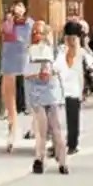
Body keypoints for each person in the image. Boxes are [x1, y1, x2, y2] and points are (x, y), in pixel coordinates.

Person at [24, 23, 69, 175]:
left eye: (39, 32)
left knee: (51, 127)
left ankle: (56, 160)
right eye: (35, 31)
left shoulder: (51, 50)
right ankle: (45, 160)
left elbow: (58, 69)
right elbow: (26, 71)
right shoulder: (33, 50)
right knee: (45, 127)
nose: (37, 34)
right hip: (42, 90)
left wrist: (43, 71)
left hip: (47, 89)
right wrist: (42, 72)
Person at [0, 1, 35, 153]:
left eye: (21, 6)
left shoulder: (30, 23)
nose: (18, 9)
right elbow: (4, 33)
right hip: (9, 56)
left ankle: (35, 123)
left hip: (25, 56)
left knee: (31, 90)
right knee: (8, 91)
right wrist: (9, 21)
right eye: (15, 6)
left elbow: (33, 39)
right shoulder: (8, 22)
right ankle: (12, 124)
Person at [58, 22, 89, 155]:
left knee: (67, 117)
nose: (71, 40)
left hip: (67, 86)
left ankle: (68, 143)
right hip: (68, 86)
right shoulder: (80, 52)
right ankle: (69, 143)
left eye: (73, 38)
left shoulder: (77, 52)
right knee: (68, 117)